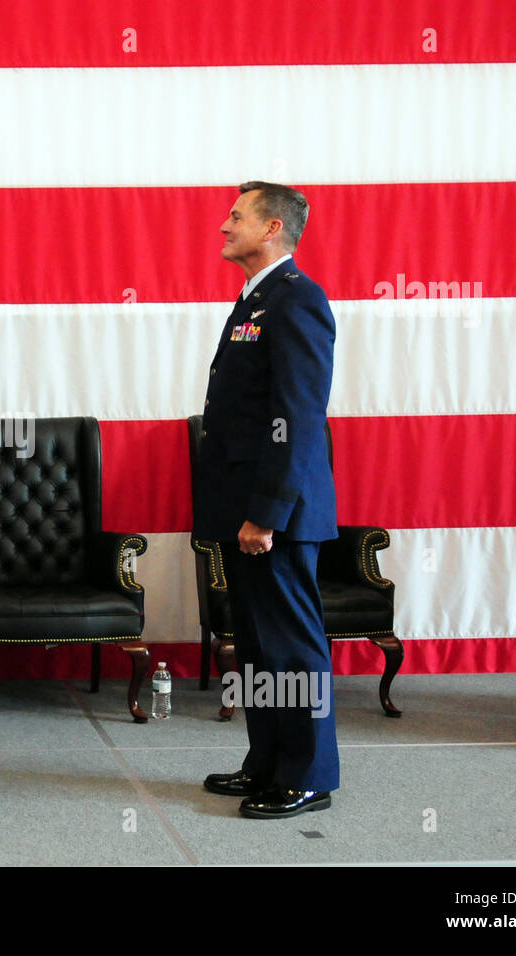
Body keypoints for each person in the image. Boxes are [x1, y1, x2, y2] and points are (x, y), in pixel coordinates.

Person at [193, 181, 340, 819]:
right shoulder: (254, 300)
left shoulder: (298, 300)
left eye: (237, 215)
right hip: (244, 506)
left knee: (290, 645)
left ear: (272, 227)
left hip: (274, 512)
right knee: (256, 644)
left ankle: (307, 774)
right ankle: (268, 762)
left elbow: (299, 417)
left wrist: (268, 513)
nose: (224, 225)